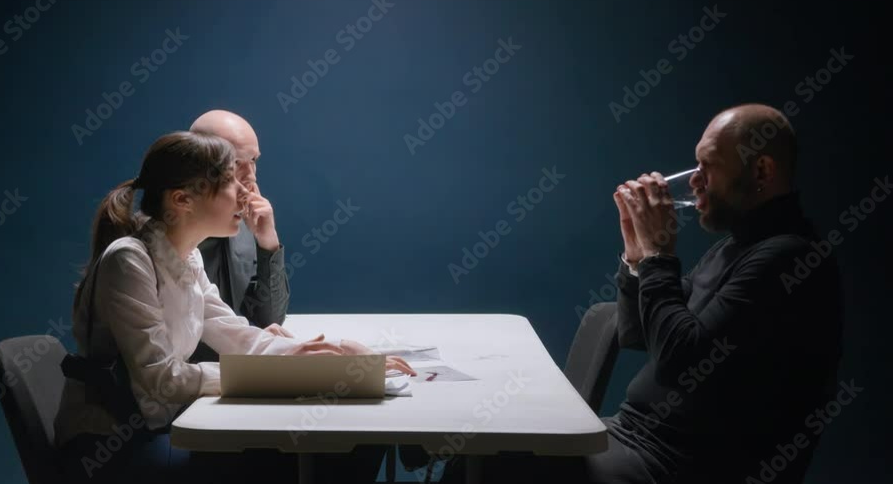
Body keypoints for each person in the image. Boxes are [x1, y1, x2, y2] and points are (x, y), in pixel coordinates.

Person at [469, 104, 844, 483]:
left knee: (490, 465)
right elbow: (639, 333)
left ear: (762, 170)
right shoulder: (735, 247)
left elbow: (682, 364)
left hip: (675, 465)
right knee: (481, 450)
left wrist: (657, 255)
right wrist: (637, 257)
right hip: (632, 434)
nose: (695, 181)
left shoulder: (789, 259)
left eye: (708, 166)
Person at [53, 131, 415, 483]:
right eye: (230, 181)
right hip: (113, 451)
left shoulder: (186, 257)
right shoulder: (129, 260)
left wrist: (319, 358)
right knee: (329, 453)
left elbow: (239, 336)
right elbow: (161, 381)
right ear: (182, 200)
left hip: (162, 428)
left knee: (347, 444)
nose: (246, 193)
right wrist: (290, 374)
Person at [189, 109, 288, 330]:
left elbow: (269, 320)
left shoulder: (243, 223)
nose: (251, 176)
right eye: (235, 163)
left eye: (253, 160)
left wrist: (268, 244)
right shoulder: (165, 240)